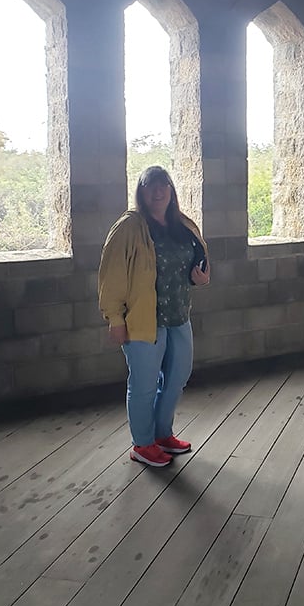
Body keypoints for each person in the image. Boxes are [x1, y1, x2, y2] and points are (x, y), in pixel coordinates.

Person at [98, 165, 210, 467]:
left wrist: (200, 278)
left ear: (171, 191)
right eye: (150, 186)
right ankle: (142, 444)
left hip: (178, 316)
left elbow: (196, 262)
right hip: (143, 320)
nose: (158, 192)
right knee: (145, 384)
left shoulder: (181, 224)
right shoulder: (129, 227)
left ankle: (162, 434)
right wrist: (115, 319)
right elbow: (112, 276)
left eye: (163, 185)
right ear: (141, 191)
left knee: (177, 378)